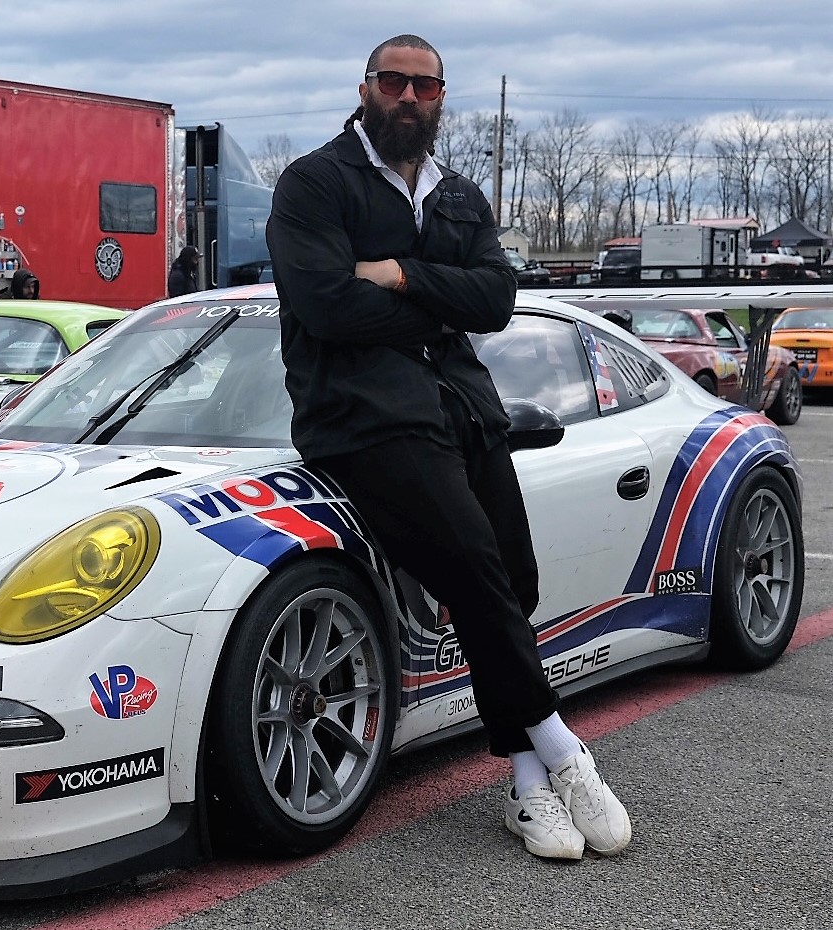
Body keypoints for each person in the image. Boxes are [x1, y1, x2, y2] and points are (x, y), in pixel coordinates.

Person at [265, 35, 632, 861]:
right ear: (364, 88)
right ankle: (564, 752)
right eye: (392, 82)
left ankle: (527, 786)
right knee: (472, 568)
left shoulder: (458, 195)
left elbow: (497, 300)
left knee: (509, 582)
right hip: (362, 420)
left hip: (464, 411)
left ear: (439, 98)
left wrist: (395, 273)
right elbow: (325, 310)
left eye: (423, 86)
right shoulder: (314, 185)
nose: (407, 96)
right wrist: (443, 301)